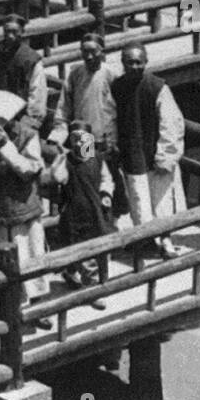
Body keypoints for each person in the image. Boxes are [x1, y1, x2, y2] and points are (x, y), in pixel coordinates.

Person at [0, 91, 53, 325]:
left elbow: (32, 168)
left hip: (23, 206)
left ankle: (38, 307)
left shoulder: (28, 136)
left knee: (31, 257)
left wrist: (7, 150)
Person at [111, 41, 187, 258]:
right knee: (138, 200)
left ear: (145, 62)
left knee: (161, 201)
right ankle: (144, 241)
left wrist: (166, 155)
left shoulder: (157, 87)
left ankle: (165, 240)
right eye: (129, 62)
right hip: (132, 154)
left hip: (156, 152)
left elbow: (171, 123)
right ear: (123, 63)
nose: (134, 66)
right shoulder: (117, 86)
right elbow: (112, 118)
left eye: (138, 62)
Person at [53, 121, 113, 298]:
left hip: (95, 209)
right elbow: (59, 178)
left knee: (94, 248)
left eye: (83, 139)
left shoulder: (97, 159)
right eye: (75, 139)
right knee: (74, 245)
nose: (79, 143)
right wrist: (58, 160)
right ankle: (73, 273)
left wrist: (106, 194)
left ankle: (93, 286)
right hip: (74, 211)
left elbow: (106, 179)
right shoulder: (68, 161)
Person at [0, 14, 47, 130]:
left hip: (19, 117)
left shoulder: (31, 59)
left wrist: (30, 121)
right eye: (7, 31)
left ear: (22, 32)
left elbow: (37, 93)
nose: (10, 36)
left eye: (14, 31)